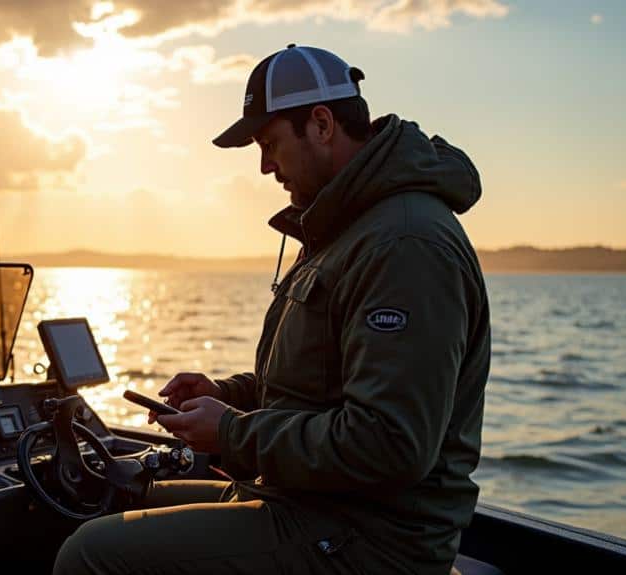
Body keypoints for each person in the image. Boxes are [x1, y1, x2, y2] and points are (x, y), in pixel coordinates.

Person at [53, 43, 490, 575]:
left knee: (90, 556)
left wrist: (234, 431)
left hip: (368, 543)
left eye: (269, 143)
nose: (264, 167)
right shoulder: (346, 228)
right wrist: (228, 396)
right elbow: (319, 386)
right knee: (118, 497)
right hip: (307, 505)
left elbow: (391, 444)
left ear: (322, 124)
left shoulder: (403, 244)